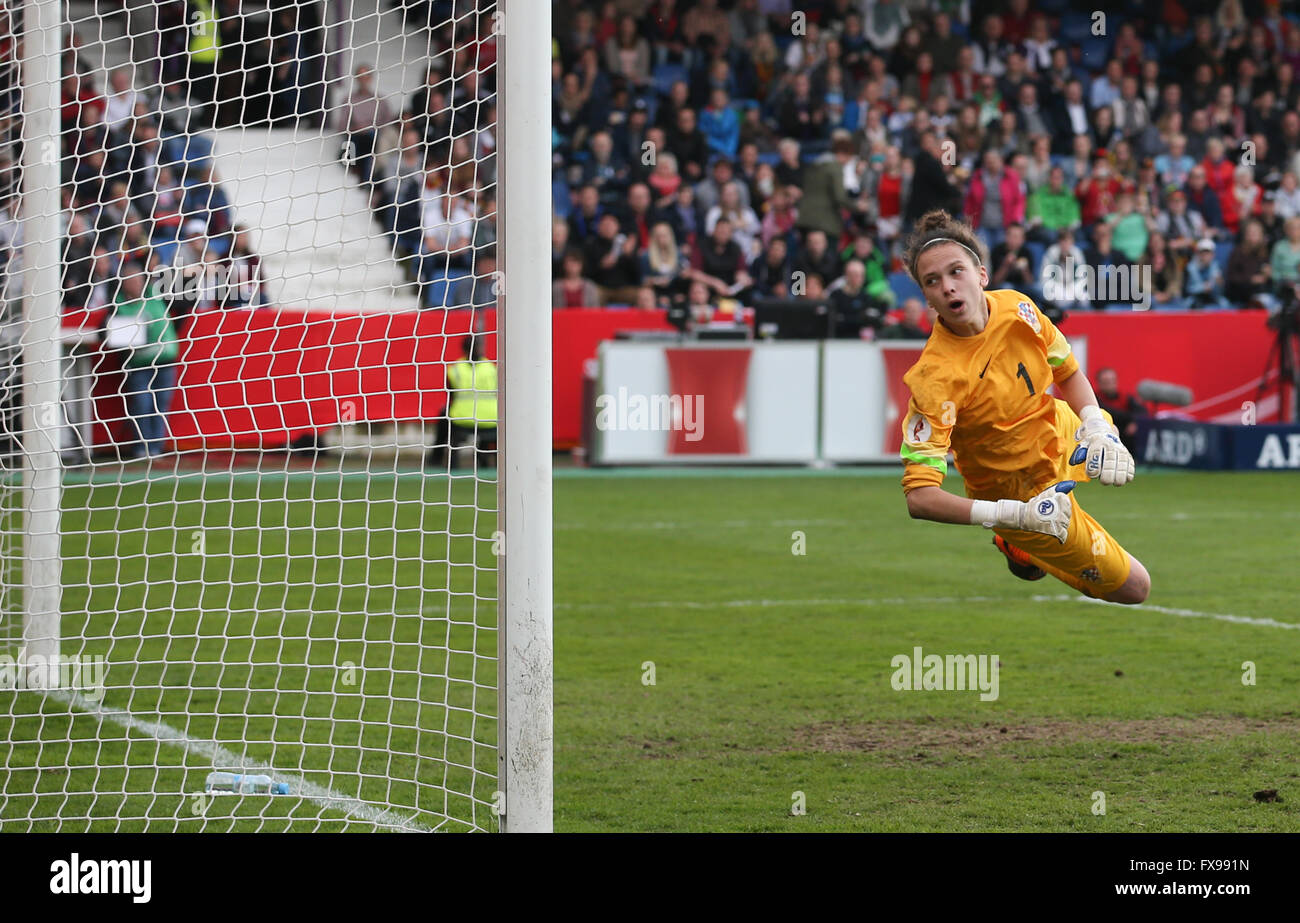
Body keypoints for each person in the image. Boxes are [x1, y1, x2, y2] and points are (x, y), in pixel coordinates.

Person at [897, 210, 1148, 605]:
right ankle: (1020, 545)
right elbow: (920, 498)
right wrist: (1010, 515)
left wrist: (1098, 427)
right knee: (1135, 588)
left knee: (1103, 427)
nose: (947, 287)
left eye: (955, 271)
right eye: (932, 281)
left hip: (1057, 431)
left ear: (981, 274)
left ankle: (1092, 442)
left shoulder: (1019, 308)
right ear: (926, 297)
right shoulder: (934, 378)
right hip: (1016, 490)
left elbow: (1068, 373)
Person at [109, 267, 180, 459]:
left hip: (165, 361)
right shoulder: (119, 306)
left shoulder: (156, 296)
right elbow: (111, 334)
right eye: (131, 281)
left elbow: (182, 297)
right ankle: (142, 447)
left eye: (139, 280)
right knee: (142, 404)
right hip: (139, 364)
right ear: (124, 285)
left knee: (160, 406)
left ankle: (156, 448)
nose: (136, 284)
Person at [427, 334, 496, 470]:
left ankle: (437, 458)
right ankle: (484, 459)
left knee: (444, 414)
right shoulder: (491, 368)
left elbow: (451, 395)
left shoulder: (455, 369)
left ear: (463, 349)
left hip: (462, 419)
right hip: (492, 419)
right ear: (481, 348)